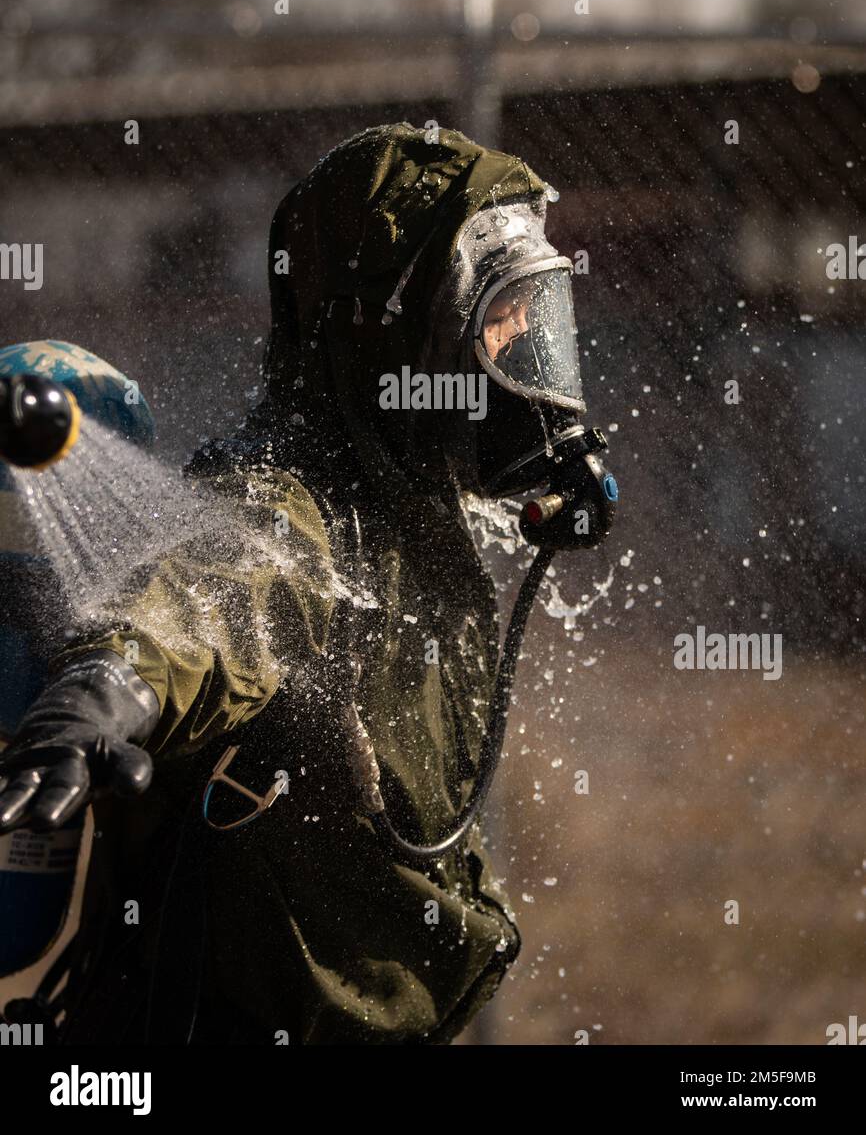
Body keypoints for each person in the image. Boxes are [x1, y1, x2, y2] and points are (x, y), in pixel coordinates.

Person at [0, 123, 596, 1044]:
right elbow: (220, 589)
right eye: (497, 328)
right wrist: (108, 688)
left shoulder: (411, 516)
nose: (523, 364)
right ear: (399, 338)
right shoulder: (289, 496)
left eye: (532, 326)